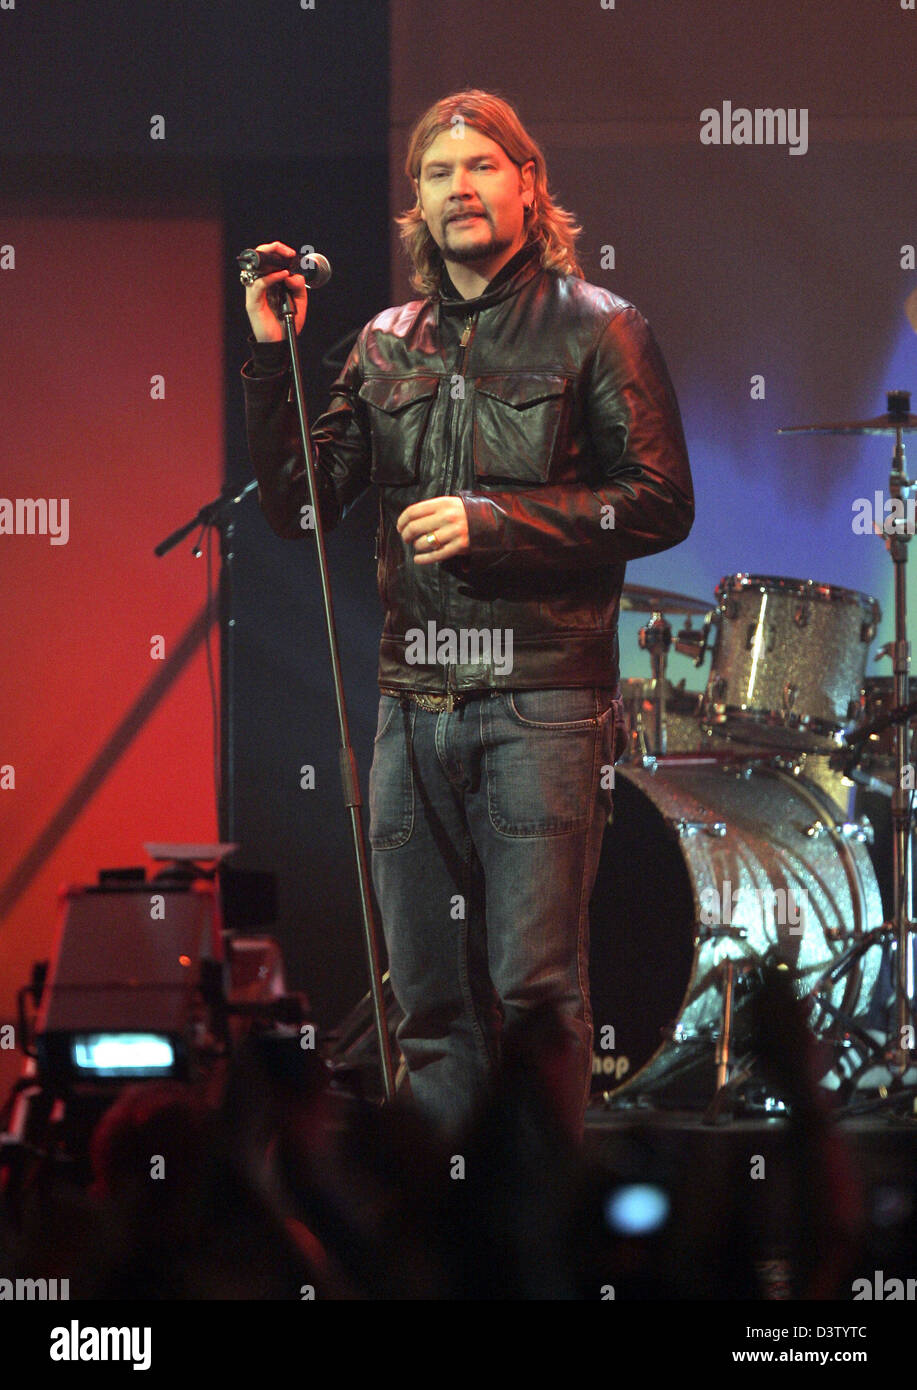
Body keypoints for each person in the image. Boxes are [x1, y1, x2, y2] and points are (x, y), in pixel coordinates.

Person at [241, 89, 693, 1138]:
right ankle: (445, 1244)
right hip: (412, 703)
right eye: (437, 174)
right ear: (416, 207)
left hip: (539, 696)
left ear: (528, 186)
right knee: (427, 1001)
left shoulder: (600, 328)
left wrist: (496, 523)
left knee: (536, 989)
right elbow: (300, 506)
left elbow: (659, 501)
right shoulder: (386, 341)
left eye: (482, 167)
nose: (460, 189)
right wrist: (273, 355)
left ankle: (538, 1238)